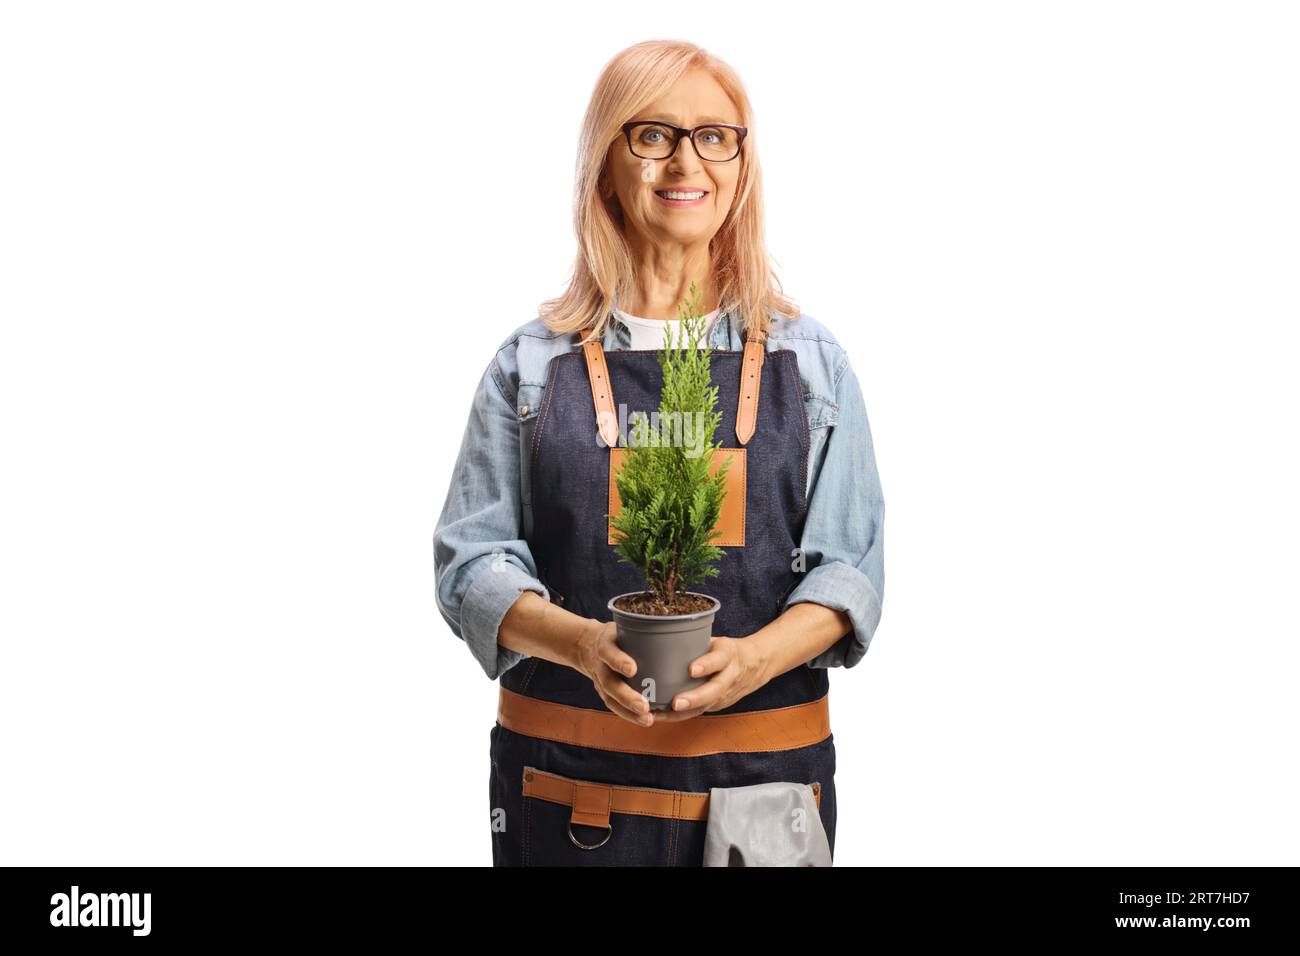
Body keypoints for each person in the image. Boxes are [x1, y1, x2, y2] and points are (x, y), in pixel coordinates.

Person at [433, 39, 885, 866]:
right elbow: (471, 561)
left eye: (716, 135)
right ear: (606, 165)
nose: (688, 160)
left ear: (739, 167)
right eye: (653, 134)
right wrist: (578, 644)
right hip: (569, 792)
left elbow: (849, 569)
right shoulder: (531, 368)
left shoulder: (812, 366)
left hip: (765, 790)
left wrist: (756, 660)